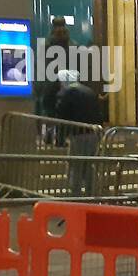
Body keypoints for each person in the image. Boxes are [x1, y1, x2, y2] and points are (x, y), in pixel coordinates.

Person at [53, 68, 102, 197]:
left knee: (76, 166)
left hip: (77, 135)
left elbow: (62, 116)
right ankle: (91, 193)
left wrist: (60, 138)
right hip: (93, 134)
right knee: (90, 166)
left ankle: (75, 194)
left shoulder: (67, 93)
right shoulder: (89, 91)